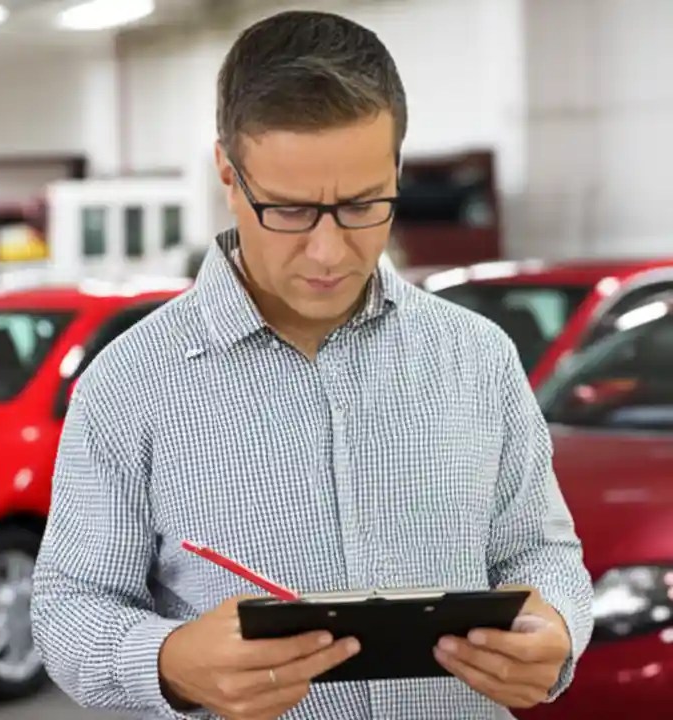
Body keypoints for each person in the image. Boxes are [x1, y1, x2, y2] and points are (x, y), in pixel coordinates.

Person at [30, 10, 592, 720]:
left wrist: (559, 630)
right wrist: (168, 662)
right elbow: (69, 608)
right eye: (291, 212)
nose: (329, 252)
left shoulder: (478, 359)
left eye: (362, 206)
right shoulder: (128, 385)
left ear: (395, 169)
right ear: (229, 176)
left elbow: (541, 556)